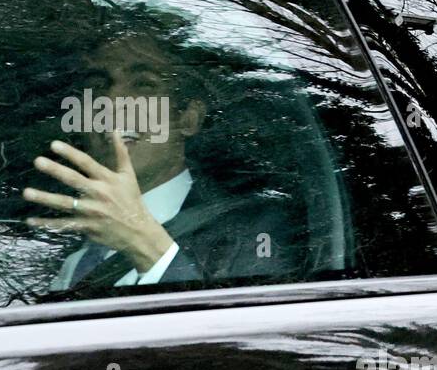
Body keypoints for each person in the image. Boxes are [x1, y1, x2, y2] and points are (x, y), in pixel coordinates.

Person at [23, 31, 299, 293]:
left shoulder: (253, 231)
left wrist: (147, 246)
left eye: (143, 84)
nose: (111, 101)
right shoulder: (73, 260)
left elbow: (245, 337)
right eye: (97, 86)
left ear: (187, 119)